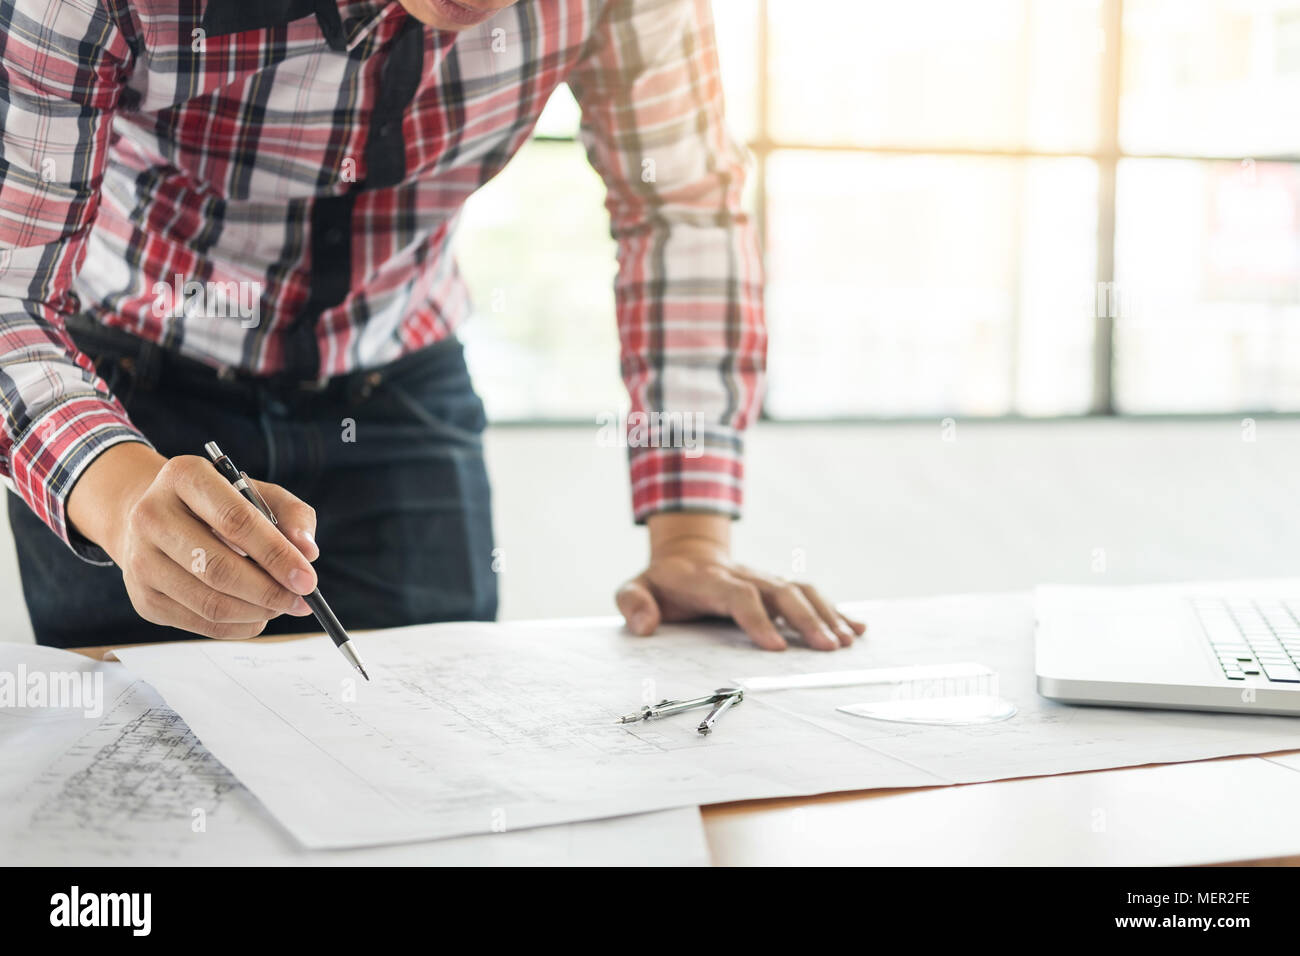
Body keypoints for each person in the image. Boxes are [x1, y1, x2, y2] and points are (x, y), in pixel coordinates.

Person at [0, 0, 864, 651]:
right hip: (121, 401)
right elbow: (10, 294)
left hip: (399, 386)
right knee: (146, 781)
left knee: (433, 775)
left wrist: (692, 537)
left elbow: (680, 214)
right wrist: (119, 499)